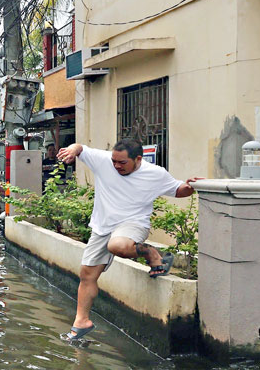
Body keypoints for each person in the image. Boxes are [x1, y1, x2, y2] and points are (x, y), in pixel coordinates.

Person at [57, 138, 200, 342]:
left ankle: (152, 253)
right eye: (114, 161)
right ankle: (82, 321)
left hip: (133, 223)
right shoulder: (104, 160)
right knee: (87, 275)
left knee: (117, 245)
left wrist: (191, 186)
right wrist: (71, 150)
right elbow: (81, 148)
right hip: (102, 226)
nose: (116, 166)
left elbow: (178, 190)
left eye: (122, 162)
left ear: (138, 159)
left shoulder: (155, 173)